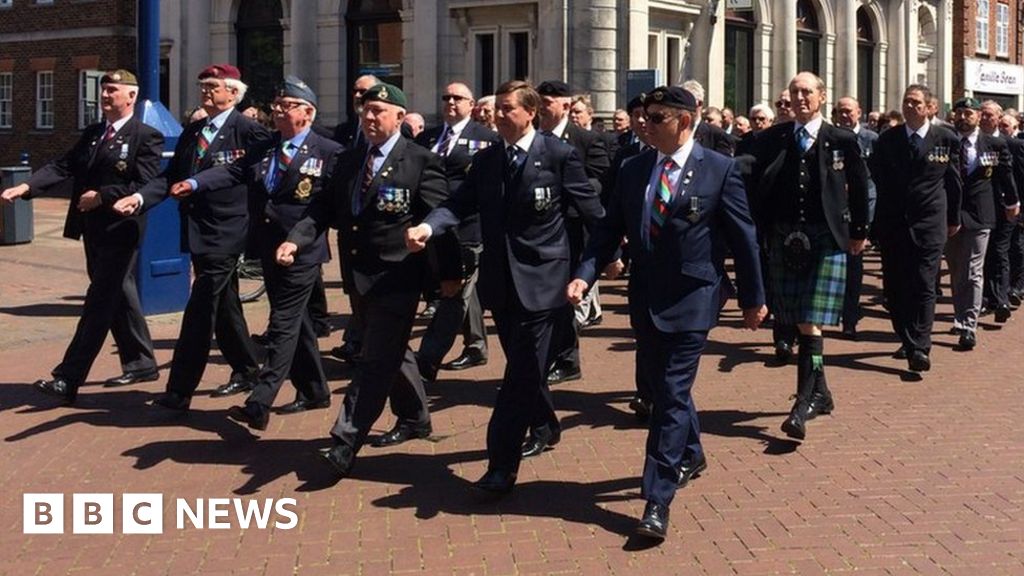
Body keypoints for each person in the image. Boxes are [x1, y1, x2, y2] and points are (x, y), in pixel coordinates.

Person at [568, 85, 765, 541]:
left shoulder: (719, 170)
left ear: (685, 120)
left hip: (694, 297)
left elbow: (744, 238)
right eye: (643, 115)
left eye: (657, 117)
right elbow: (608, 229)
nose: (645, 123)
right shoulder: (634, 169)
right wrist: (585, 274)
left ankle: (656, 499)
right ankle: (691, 452)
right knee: (663, 390)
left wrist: (754, 298)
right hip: (646, 297)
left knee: (671, 396)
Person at [405, 80, 604, 495]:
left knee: (516, 379)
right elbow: (458, 205)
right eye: (496, 109)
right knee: (524, 366)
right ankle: (547, 424)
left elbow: (594, 215)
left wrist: (589, 270)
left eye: (507, 109)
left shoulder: (558, 155)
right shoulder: (489, 160)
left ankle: (501, 465)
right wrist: (427, 225)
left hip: (546, 284)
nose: (498, 116)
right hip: (502, 283)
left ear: (530, 112)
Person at [279, 83, 454, 478]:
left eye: (378, 110)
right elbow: (322, 208)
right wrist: (295, 240)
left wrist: (449, 275)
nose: (370, 118)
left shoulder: (420, 161)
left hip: (398, 276)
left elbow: (442, 218)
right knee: (391, 350)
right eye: (365, 111)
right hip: (357, 277)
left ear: (398, 116)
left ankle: (345, 440)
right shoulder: (349, 160)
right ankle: (414, 417)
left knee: (374, 359)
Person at [175, 76, 343, 429]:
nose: (278, 110)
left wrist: (298, 239)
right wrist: (193, 183)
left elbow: (325, 207)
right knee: (297, 324)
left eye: (287, 106)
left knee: (281, 323)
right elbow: (233, 171)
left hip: (302, 251)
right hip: (267, 247)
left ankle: (260, 402)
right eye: (277, 105)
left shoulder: (329, 152)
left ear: (308, 113)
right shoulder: (267, 146)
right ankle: (314, 390)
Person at [1, 70, 163, 403]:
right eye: (103, 91)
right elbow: (63, 166)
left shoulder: (146, 136)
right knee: (119, 292)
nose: (105, 97)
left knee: (99, 301)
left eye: (112, 91)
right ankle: (142, 361)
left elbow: (144, 184)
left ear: (131, 96)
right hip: (93, 228)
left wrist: (102, 196)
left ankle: (68, 377)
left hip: (122, 229)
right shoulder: (93, 134)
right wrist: (27, 186)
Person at [118, 64, 269, 410]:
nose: (205, 91)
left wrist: (199, 183)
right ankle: (247, 369)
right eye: (202, 85)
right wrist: (140, 198)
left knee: (200, 306)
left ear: (233, 92)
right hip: (197, 231)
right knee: (225, 304)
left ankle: (179, 389)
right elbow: (170, 176)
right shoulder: (194, 131)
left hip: (228, 231)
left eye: (213, 86)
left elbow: (244, 173)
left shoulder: (250, 131)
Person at [743, 72, 870, 440]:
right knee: (801, 320)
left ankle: (802, 402)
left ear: (821, 96)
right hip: (785, 236)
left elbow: (859, 187)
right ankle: (822, 393)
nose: (799, 98)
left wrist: (859, 232)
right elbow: (748, 168)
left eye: (806, 92)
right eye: (794, 92)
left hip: (826, 235)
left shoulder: (842, 139)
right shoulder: (773, 137)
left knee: (810, 320)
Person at [871, 84, 962, 373]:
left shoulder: (945, 139)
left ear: (930, 108)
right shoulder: (888, 140)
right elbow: (878, 180)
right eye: (906, 102)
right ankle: (908, 337)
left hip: (929, 224)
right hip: (894, 225)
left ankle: (920, 347)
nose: (910, 107)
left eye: (917, 102)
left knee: (924, 284)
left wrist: (953, 218)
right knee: (895, 290)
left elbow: (954, 182)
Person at [413, 82, 500, 382]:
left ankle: (428, 358)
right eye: (446, 96)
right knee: (466, 291)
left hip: (467, 227)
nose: (450, 102)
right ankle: (476, 345)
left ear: (472, 104)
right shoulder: (427, 138)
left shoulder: (487, 139)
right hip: (432, 227)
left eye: (457, 98)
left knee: (454, 293)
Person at [536, 79, 609, 393]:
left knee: (563, 296)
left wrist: (571, 188)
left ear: (564, 105)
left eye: (548, 102)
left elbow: (600, 180)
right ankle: (547, 355)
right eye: (539, 101)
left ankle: (567, 359)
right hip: (539, 230)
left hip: (570, 228)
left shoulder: (585, 139)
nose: (541, 107)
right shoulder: (534, 138)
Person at [945, 98, 1018, 350]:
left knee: (973, 269)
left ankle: (968, 325)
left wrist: (1012, 203)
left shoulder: (995, 144)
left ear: (977, 116)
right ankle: (959, 315)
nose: (963, 118)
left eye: (968, 113)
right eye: (959, 113)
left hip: (980, 213)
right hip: (950, 215)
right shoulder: (946, 141)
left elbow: (1005, 176)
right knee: (955, 269)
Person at [329, 74, 381, 364]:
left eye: (366, 92)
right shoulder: (343, 131)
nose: (360, 97)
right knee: (352, 287)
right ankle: (359, 340)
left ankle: (361, 342)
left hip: (377, 227)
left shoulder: (400, 138)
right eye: (356, 91)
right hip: (349, 224)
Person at [834, 96, 879, 339]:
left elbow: (879, 175)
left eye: (848, 111)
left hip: (861, 210)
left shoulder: (871, 139)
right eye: (840, 111)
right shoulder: (830, 138)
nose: (844, 115)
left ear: (859, 113)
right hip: (834, 210)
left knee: (853, 263)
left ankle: (849, 318)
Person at [979, 100, 1023, 323]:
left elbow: (1020, 177)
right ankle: (987, 297)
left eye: (989, 115)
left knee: (1001, 250)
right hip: (981, 207)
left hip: (1007, 207)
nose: (985, 118)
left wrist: (1017, 205)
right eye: (982, 114)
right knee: (984, 254)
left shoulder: (1012, 145)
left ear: (998, 117)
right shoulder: (973, 142)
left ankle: (1002, 298)